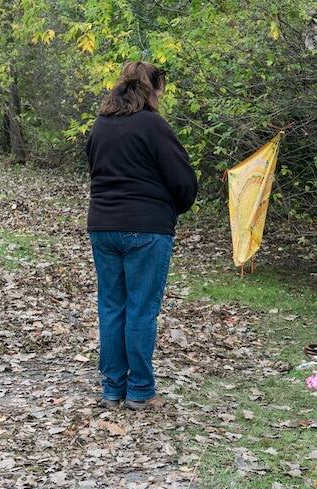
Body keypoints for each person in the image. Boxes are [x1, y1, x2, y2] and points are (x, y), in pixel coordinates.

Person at [85, 62, 198, 410]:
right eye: (161, 88)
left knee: (111, 308)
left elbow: (94, 170)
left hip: (103, 226)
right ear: (152, 88)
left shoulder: (101, 125)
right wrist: (172, 207)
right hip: (146, 228)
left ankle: (112, 389)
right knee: (141, 310)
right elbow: (183, 180)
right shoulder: (153, 125)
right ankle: (140, 390)